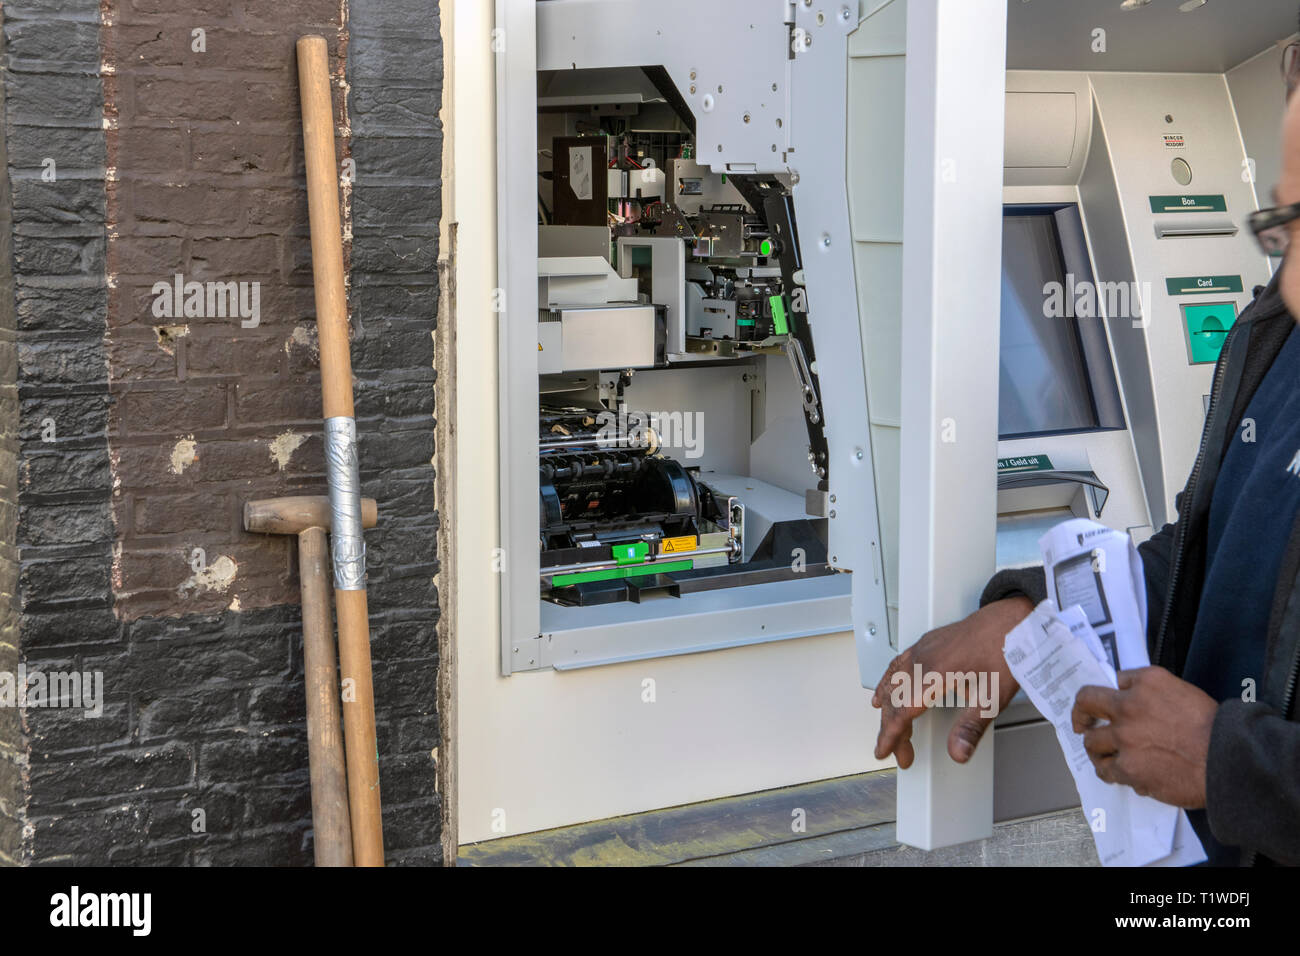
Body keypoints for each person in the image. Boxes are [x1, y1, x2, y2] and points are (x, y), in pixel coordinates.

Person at [871, 42, 1300, 867]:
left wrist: (1224, 762)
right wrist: (1030, 619)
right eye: (1280, 224)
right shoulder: (1274, 338)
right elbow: (1216, 559)